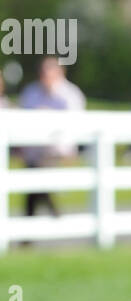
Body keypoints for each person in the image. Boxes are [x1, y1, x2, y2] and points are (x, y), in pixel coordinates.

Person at [18, 56, 86, 217]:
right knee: (35, 180)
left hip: (57, 152)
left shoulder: (70, 95)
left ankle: (34, 225)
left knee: (35, 179)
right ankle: (53, 216)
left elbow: (74, 127)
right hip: (34, 151)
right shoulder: (31, 92)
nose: (45, 75)